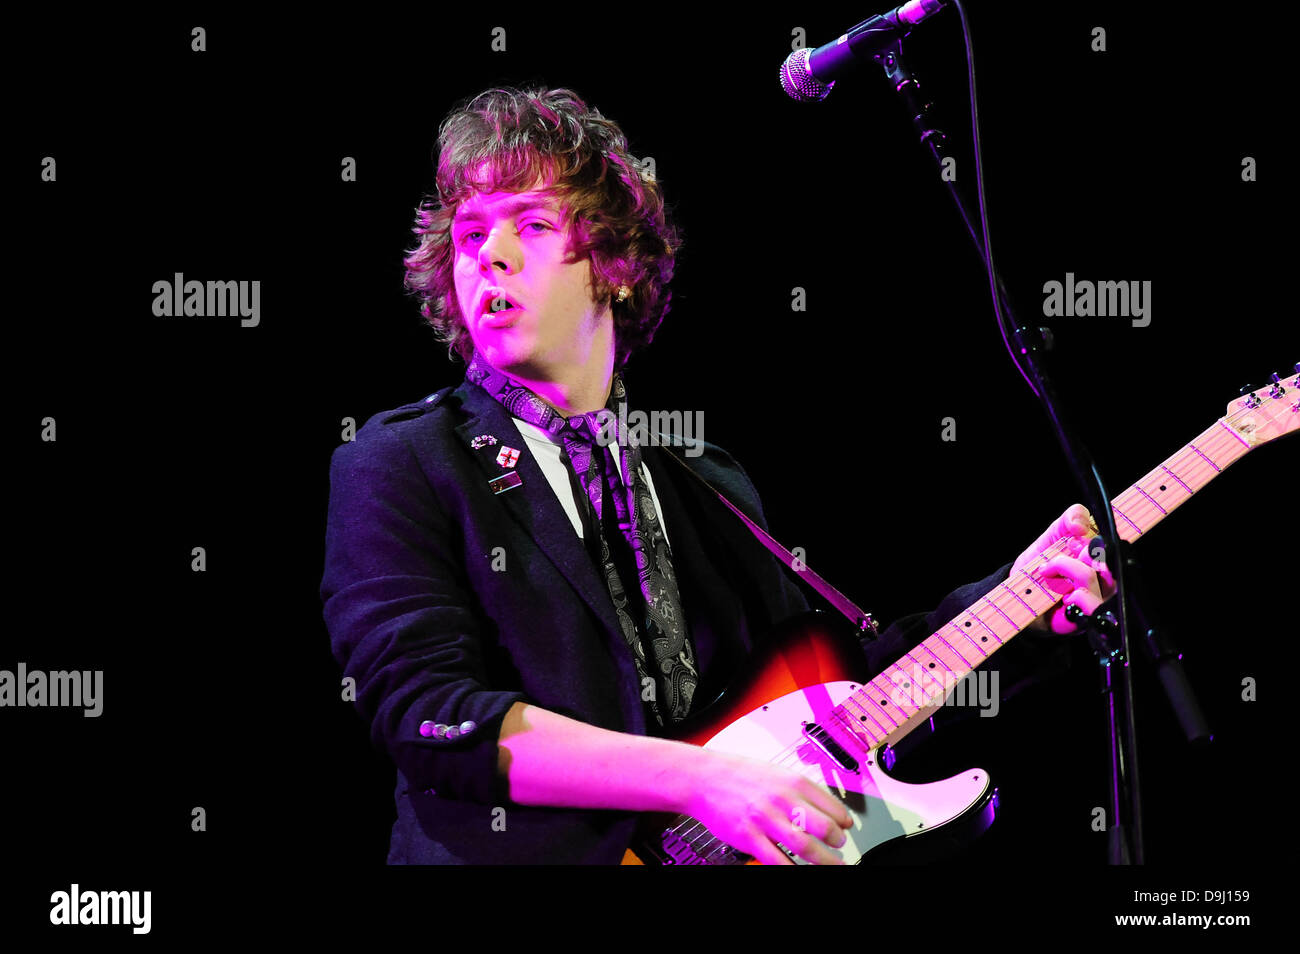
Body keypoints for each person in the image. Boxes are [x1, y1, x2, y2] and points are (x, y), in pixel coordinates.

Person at [319, 86, 1114, 865]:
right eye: (468, 235)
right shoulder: (403, 461)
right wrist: (699, 781)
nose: (488, 254)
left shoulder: (707, 479)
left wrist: (1018, 600)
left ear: (618, 262)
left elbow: (821, 705)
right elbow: (431, 717)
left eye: (530, 223)